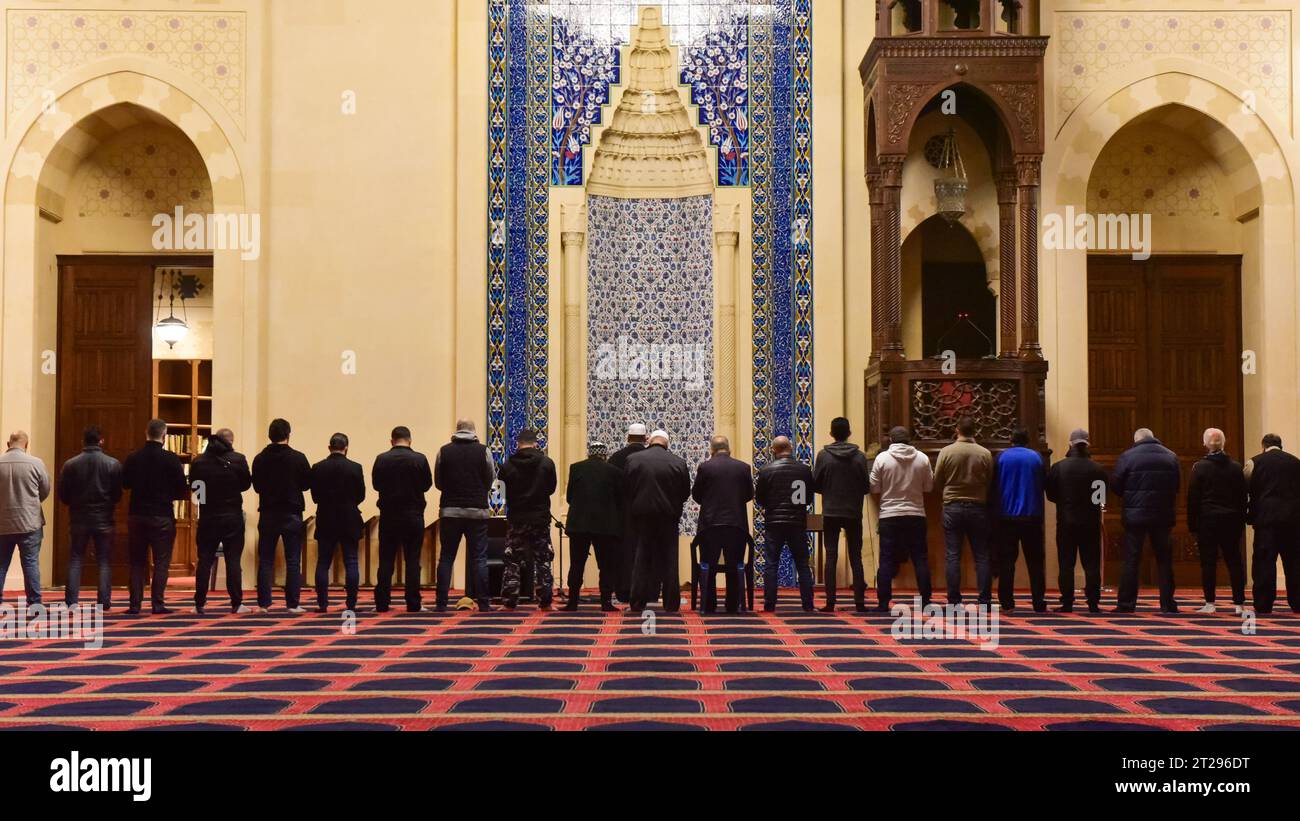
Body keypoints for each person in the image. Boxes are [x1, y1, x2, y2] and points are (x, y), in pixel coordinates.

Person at [1111, 427, 1181, 613]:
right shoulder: (1171, 456)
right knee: (1164, 560)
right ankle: (1167, 603)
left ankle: (1126, 604)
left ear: (1137, 440)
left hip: (1135, 515)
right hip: (1162, 515)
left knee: (1131, 560)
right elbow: (1176, 485)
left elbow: (1116, 485)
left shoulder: (1128, 456)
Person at [121, 420, 188, 615]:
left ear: (146, 433)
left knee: (136, 562)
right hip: (162, 516)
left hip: (137, 515)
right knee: (161, 562)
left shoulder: (133, 457)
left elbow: (125, 484)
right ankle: (157, 604)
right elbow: (181, 489)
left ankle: (135, 605)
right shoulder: (171, 459)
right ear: (164, 436)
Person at [625, 429, 691, 612]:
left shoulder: (634, 460)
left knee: (641, 558)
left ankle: (637, 602)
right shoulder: (678, 462)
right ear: (666, 443)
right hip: (668, 517)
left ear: (650, 441)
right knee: (670, 559)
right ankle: (671, 604)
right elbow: (685, 492)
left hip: (642, 517)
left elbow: (627, 488)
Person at [251, 418, 312, 614]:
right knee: (293, 560)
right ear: (288, 435)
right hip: (291, 512)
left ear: (270, 435)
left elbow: (257, 487)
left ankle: (263, 604)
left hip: (268, 513)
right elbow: (306, 485)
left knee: (266, 560)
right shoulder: (298, 458)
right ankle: (293, 604)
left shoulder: (260, 459)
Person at [188, 428, 252, 614]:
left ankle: (199, 604)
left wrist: (206, 501)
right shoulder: (238, 459)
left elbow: (195, 488)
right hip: (232, 515)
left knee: (204, 560)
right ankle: (237, 603)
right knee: (233, 560)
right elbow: (245, 484)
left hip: (208, 516)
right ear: (231, 441)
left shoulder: (199, 461)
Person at [869, 426, 933, 611]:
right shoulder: (922, 458)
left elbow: (874, 488)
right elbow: (929, 487)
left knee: (886, 559)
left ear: (891, 440)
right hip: (916, 514)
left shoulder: (882, 458)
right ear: (909, 440)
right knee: (920, 559)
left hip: (889, 515)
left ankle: (883, 602)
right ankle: (925, 600)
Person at [434, 419, 495, 612]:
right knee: (479, 559)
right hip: (477, 512)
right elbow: (490, 479)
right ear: (473, 431)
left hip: (450, 511)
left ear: (457, 430)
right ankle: (484, 603)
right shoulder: (483, 451)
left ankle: (441, 604)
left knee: (446, 557)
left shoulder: (444, 451)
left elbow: (438, 482)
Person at [58, 425, 122, 609]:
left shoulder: (70, 464)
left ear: (83, 441)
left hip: (79, 517)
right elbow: (117, 495)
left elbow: (63, 494)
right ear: (101, 441)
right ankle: (104, 602)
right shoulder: (113, 464)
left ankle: (71, 601)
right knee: (104, 561)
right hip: (104, 518)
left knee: (76, 559)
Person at [932, 417, 993, 608]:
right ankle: (984, 600)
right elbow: (989, 481)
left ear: (957, 429)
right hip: (977, 506)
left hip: (953, 506)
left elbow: (937, 480)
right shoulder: (984, 453)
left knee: (953, 555)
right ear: (975, 430)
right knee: (981, 555)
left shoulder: (946, 451)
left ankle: (954, 600)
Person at [1044, 429, 1107, 613]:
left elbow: (1051, 494)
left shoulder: (1059, 467)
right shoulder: (1098, 469)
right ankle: (1093, 602)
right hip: (1090, 522)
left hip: (1066, 521)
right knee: (1092, 564)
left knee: (1066, 564)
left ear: (1070, 444)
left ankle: (1067, 602)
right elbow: (1101, 499)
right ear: (1088, 444)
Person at [812, 417, 871, 612]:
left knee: (831, 556)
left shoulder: (823, 456)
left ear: (831, 433)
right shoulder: (860, 457)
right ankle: (859, 602)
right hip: (853, 511)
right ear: (849, 433)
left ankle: (830, 602)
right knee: (856, 556)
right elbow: (866, 486)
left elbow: (816, 484)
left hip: (830, 511)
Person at [372, 426, 434, 613]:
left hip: (389, 516)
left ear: (392, 441)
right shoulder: (419, 459)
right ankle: (413, 603)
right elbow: (426, 485)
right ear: (410, 440)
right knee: (413, 561)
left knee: (386, 561)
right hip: (413, 516)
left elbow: (376, 485)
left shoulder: (382, 459)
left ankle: (382, 603)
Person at [1187, 428, 1247, 615]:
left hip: (1208, 521)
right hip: (1231, 520)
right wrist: (1241, 521)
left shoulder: (1199, 467)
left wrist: (1192, 525)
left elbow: (1193, 499)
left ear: (1205, 444)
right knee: (1234, 561)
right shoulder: (1236, 467)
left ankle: (1210, 603)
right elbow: (1242, 497)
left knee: (1208, 562)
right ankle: (1239, 604)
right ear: (1224, 443)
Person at [498, 428, 557, 610]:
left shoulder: (507, 465)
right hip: (540, 518)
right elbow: (551, 489)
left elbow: (499, 495)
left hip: (517, 518)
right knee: (543, 560)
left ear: (518, 444)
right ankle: (545, 602)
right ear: (535, 443)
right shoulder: (547, 463)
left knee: (512, 560)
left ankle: (509, 602)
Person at [692, 435, 753, 613]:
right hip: (736, 526)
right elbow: (749, 494)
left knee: (708, 565)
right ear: (729, 448)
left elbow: (696, 495)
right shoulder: (743, 468)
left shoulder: (705, 467)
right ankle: (732, 604)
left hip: (710, 526)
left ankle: (709, 604)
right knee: (734, 565)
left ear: (712, 450)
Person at [755, 436, 815, 612]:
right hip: (797, 523)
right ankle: (808, 604)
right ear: (791, 447)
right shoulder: (804, 470)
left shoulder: (766, 470)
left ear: (774, 450)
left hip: (774, 523)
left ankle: (769, 604)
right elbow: (807, 499)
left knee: (771, 564)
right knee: (802, 564)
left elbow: (760, 499)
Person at [563, 441, 624, 611]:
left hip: (579, 525)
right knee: (606, 566)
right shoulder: (614, 472)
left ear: (589, 453)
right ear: (604, 455)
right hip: (605, 526)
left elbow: (569, 497)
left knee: (577, 564)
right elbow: (620, 500)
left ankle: (572, 602)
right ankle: (606, 602)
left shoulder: (576, 468)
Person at [310, 433, 366, 613]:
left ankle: (322, 604)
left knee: (323, 562)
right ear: (346, 448)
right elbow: (361, 496)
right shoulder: (355, 467)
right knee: (351, 561)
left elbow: (315, 497)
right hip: (349, 518)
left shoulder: (318, 468)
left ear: (329, 447)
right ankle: (351, 604)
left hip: (326, 518)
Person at [1244, 433, 1300, 614]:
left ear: (1263, 446)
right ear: (1280, 445)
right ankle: (1298, 602)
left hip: (1265, 520)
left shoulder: (1254, 462)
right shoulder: (1296, 462)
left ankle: (1263, 603)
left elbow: (1244, 487)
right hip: (1293, 521)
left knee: (1264, 563)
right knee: (1294, 563)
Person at [994, 428, 1047, 613]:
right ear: (1028, 441)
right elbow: (1044, 482)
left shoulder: (1001, 457)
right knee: (1035, 562)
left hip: (1007, 516)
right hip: (1032, 515)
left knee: (1007, 562)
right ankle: (1038, 601)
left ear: (1011, 440)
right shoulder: (1036, 457)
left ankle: (1007, 602)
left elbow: (994, 485)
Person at [0, 431, 52, 608]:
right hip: (30, 522)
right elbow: (45, 489)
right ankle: (34, 602)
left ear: (8, 444)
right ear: (26, 445)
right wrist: (31, 504)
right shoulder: (36, 463)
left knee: (1, 565)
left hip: (2, 523)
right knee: (30, 564)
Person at [608, 423, 648, 603]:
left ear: (628, 438)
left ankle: (622, 590)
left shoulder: (616, 458)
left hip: (621, 514)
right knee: (644, 551)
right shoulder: (649, 457)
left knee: (622, 553)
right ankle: (645, 591)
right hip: (646, 513)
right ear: (645, 438)